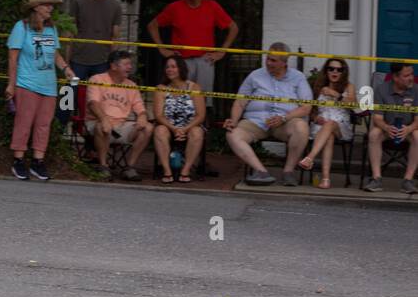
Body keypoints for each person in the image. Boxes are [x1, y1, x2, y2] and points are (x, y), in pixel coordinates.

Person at [5, 0, 74, 182]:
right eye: (46, 5)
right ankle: (18, 159)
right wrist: (11, 84)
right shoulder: (22, 27)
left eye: (51, 5)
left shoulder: (51, 29)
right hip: (27, 83)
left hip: (49, 85)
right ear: (36, 8)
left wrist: (66, 68)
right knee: (24, 122)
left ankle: (38, 160)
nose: (50, 8)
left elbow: (56, 55)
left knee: (44, 124)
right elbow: (13, 57)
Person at [222, 43, 312, 186]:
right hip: (255, 121)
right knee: (232, 134)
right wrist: (233, 120)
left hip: (285, 122)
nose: (269, 63)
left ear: (284, 62)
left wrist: (284, 118)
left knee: (301, 127)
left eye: (273, 60)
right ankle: (261, 172)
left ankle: (288, 172)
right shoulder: (255, 75)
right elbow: (240, 101)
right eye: (268, 59)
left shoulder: (298, 77)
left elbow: (306, 107)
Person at [146, 0, 238, 99]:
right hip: (182, 60)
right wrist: (162, 49)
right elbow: (152, 25)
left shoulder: (212, 6)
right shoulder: (175, 7)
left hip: (205, 59)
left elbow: (233, 28)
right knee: (181, 98)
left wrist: (222, 51)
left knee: (203, 99)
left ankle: (204, 118)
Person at [84, 50, 152, 180]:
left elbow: (140, 108)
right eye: (126, 64)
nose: (130, 67)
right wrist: (104, 119)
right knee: (101, 126)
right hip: (98, 122)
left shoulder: (131, 85)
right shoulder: (97, 79)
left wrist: (142, 117)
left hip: (121, 126)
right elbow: (93, 104)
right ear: (114, 66)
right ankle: (103, 166)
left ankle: (129, 167)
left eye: (130, 64)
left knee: (147, 128)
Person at [298, 58, 355, 189]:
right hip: (320, 126)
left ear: (343, 72)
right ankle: (325, 179)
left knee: (330, 125)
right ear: (326, 71)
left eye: (339, 70)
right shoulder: (317, 86)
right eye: (331, 69)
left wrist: (335, 94)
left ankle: (310, 157)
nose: (335, 72)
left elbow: (353, 105)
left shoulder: (348, 86)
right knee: (328, 134)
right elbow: (310, 110)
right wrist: (315, 117)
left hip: (341, 126)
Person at [363, 63, 418, 193]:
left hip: (409, 128)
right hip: (387, 128)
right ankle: (376, 178)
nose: (411, 78)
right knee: (374, 134)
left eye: (412, 74)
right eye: (406, 75)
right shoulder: (381, 90)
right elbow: (377, 118)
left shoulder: (416, 90)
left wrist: (408, 129)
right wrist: (387, 128)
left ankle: (408, 180)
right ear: (395, 77)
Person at [151, 54, 205, 184]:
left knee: (197, 133)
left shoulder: (194, 88)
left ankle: (185, 170)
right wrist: (175, 129)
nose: (169, 70)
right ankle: (167, 170)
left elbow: (201, 115)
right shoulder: (161, 89)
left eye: (173, 67)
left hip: (190, 125)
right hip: (168, 125)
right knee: (159, 131)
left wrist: (184, 129)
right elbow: (159, 115)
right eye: (167, 67)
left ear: (181, 69)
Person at [70, 0, 123, 82]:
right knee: (71, 94)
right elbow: (70, 33)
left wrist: (112, 63)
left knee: (100, 98)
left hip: (102, 62)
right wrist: (66, 61)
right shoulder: (79, 2)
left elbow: (115, 37)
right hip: (78, 59)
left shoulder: (115, 6)